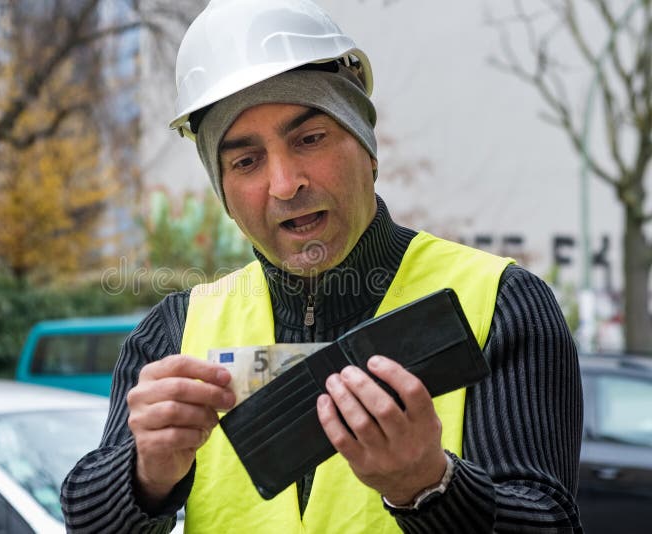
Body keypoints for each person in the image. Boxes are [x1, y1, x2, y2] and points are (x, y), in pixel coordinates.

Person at [61, 0, 583, 532]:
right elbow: (88, 522)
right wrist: (144, 476)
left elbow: (550, 523)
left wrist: (429, 486)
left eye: (309, 139)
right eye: (246, 161)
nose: (285, 184)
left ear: (368, 149)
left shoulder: (499, 304)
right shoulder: (174, 333)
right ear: (225, 195)